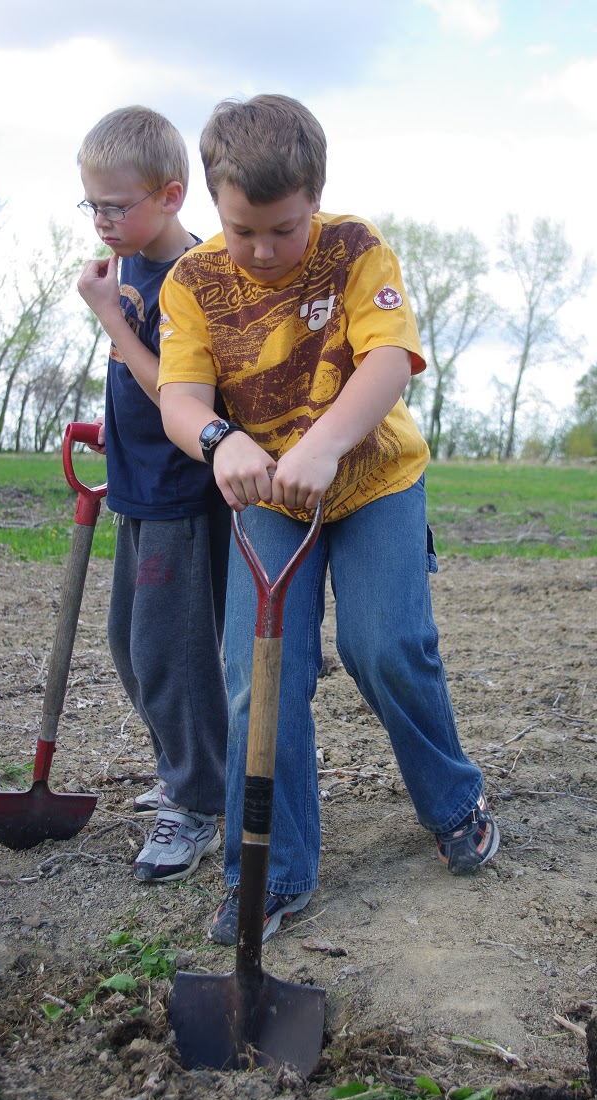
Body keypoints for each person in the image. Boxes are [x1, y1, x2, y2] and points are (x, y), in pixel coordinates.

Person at [158, 94, 500, 943]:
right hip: (271, 491)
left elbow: (389, 359)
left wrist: (326, 443)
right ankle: (270, 873)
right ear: (215, 207)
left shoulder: (354, 248)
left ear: (317, 196)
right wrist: (217, 440)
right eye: (245, 231)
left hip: (373, 479)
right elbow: (181, 397)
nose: (265, 251)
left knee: (382, 645)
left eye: (285, 228)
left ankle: (454, 802)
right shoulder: (193, 280)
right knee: (259, 671)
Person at [76, 105, 229, 883]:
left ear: (171, 196)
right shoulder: (130, 263)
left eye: (116, 204)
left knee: (168, 653)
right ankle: (186, 766)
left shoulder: (194, 277)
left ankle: (200, 801)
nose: (102, 220)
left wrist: (110, 322)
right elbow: (132, 389)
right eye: (91, 204)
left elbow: (173, 389)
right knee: (126, 645)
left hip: (183, 491)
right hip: (137, 486)